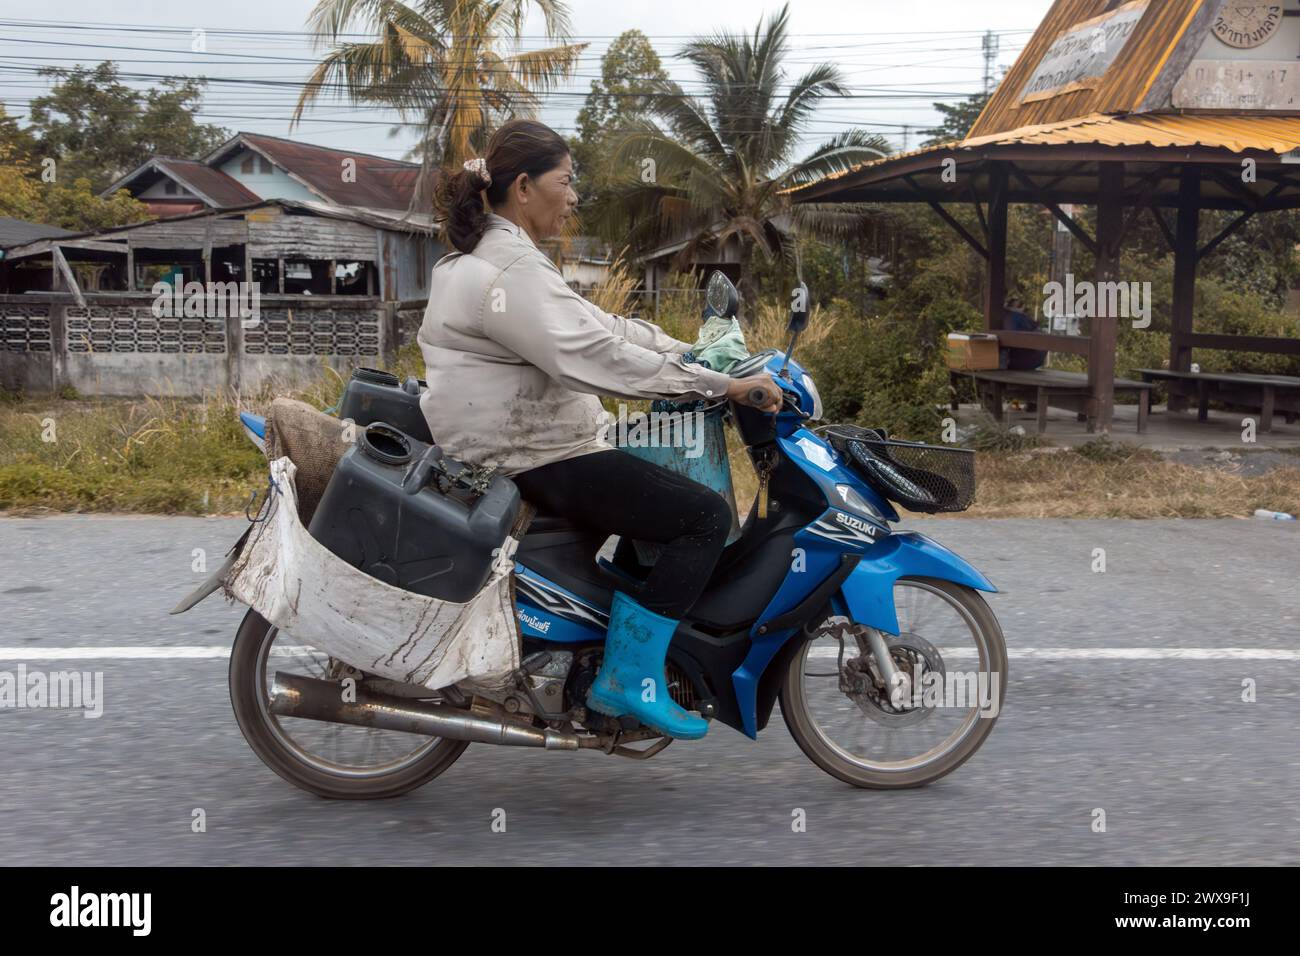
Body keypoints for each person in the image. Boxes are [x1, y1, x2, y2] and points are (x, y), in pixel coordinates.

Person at [419, 119, 783, 740]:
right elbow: (597, 357)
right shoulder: (508, 272)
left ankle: (598, 651)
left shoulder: (505, 259)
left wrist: (691, 355)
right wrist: (715, 386)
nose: (576, 195)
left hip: (526, 442)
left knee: (647, 492)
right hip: (531, 453)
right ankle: (629, 674)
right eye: (568, 181)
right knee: (701, 518)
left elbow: (605, 326)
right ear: (526, 187)